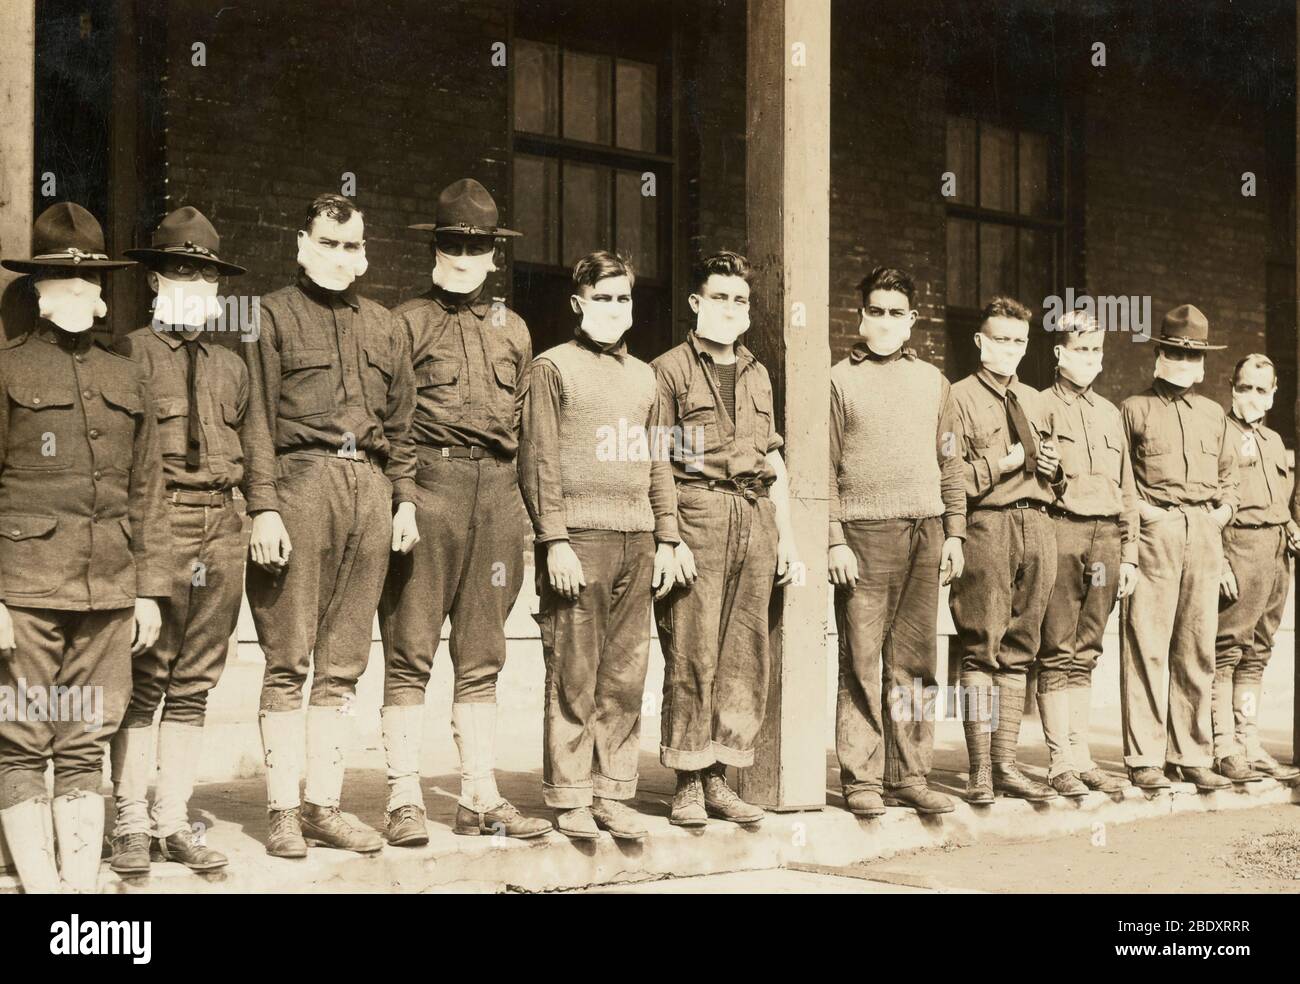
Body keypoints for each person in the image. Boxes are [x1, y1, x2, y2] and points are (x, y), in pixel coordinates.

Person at [242, 193, 420, 857]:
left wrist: (403, 498)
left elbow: (403, 427)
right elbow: (255, 418)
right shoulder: (269, 316)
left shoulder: (385, 326)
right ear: (302, 243)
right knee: (289, 655)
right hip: (300, 482)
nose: (341, 257)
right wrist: (262, 506)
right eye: (328, 243)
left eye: (351, 246)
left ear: (364, 251)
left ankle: (324, 804)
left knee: (344, 660)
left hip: (369, 488)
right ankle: (284, 809)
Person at [0, 203, 170, 892]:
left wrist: (152, 590)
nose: (75, 297)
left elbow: (149, 489)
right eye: (59, 285)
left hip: (108, 591)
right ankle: (42, 889)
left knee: (85, 735)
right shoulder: (7, 368)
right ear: (38, 293)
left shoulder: (128, 373)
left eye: (87, 285)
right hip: (27, 590)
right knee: (20, 737)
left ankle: (78, 885)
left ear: (103, 294)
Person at [378, 178, 550, 843]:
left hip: (498, 494)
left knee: (483, 651)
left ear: (492, 256)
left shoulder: (515, 328)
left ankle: (479, 795)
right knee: (410, 648)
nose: (463, 257)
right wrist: (402, 499)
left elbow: (528, 428)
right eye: (452, 244)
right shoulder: (405, 322)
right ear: (435, 247)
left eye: (477, 248)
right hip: (431, 487)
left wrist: (534, 523)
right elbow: (391, 425)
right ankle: (403, 799)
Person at [108, 206, 250, 874]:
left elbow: (256, 449)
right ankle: (129, 822)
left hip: (224, 524)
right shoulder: (128, 354)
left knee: (194, 682)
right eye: (179, 273)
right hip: (160, 522)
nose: (193, 288)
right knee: (146, 677)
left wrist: (253, 515)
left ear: (218, 292)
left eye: (205, 277)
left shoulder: (231, 365)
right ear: (155, 282)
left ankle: (172, 820)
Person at [519, 250, 679, 842]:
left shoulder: (646, 378)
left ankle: (613, 792)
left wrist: (667, 535)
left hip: (637, 538)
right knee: (573, 670)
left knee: (625, 672)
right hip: (579, 539)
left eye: (623, 300)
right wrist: (554, 540)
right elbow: (538, 460)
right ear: (578, 303)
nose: (614, 310)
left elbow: (658, 459)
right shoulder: (551, 368)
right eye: (602, 299)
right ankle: (568, 795)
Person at [651, 250, 796, 827]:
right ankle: (686, 779)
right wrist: (669, 536)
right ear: (696, 302)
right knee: (692, 648)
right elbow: (657, 459)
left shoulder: (759, 374)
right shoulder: (669, 370)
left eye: (740, 300)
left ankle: (720, 777)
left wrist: (785, 537)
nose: (731, 309)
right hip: (697, 513)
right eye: (720, 298)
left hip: (754, 513)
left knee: (743, 652)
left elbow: (775, 459)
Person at [827, 266, 964, 817]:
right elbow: (824, 468)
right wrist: (834, 539)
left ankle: (910, 773)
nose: (884, 322)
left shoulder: (934, 382)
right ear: (861, 317)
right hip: (864, 535)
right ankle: (862, 778)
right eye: (875, 311)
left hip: (926, 533)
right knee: (860, 659)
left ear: (912, 322)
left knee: (915, 661)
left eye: (895, 314)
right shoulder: (838, 381)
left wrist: (955, 531)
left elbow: (950, 461)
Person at [948, 296, 1063, 803]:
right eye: (1000, 340)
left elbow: (1057, 480)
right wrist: (1001, 463)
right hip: (989, 526)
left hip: (1038, 525)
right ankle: (978, 772)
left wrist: (1055, 468)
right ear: (980, 342)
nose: (1010, 350)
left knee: (1021, 650)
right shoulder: (955, 398)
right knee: (982, 646)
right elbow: (951, 477)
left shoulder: (1038, 401)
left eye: (1019, 341)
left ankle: (1007, 764)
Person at [1120, 304, 1235, 792]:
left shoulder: (1214, 414)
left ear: (1204, 363)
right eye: (1174, 352)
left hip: (1203, 533)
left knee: (1197, 646)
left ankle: (1190, 753)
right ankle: (1144, 756)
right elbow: (1123, 482)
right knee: (1147, 643)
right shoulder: (1134, 409)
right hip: (1157, 531)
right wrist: (1149, 517)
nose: (1184, 362)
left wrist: (1217, 516)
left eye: (1193, 355)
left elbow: (1230, 482)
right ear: (1158, 354)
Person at [1035, 311, 1137, 796]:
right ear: (1059, 354)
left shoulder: (1110, 414)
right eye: (1080, 350)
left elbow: (1128, 489)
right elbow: (1035, 481)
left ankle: (1082, 754)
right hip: (1062, 532)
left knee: (1088, 648)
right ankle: (1060, 762)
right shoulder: (1039, 407)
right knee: (1057, 647)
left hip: (1106, 540)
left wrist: (1131, 553)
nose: (1089, 360)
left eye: (1096, 351)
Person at [1211, 353, 1299, 782]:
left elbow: (1279, 500)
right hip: (1239, 545)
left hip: (1276, 554)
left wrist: (1292, 526)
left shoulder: (1273, 442)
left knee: (1258, 653)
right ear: (1231, 386)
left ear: (1273, 393)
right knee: (1226, 650)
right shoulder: (1218, 434)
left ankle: (1248, 740)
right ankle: (1223, 744)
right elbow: (1213, 503)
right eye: (1244, 387)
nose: (1251, 396)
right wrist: (1220, 561)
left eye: (1261, 390)